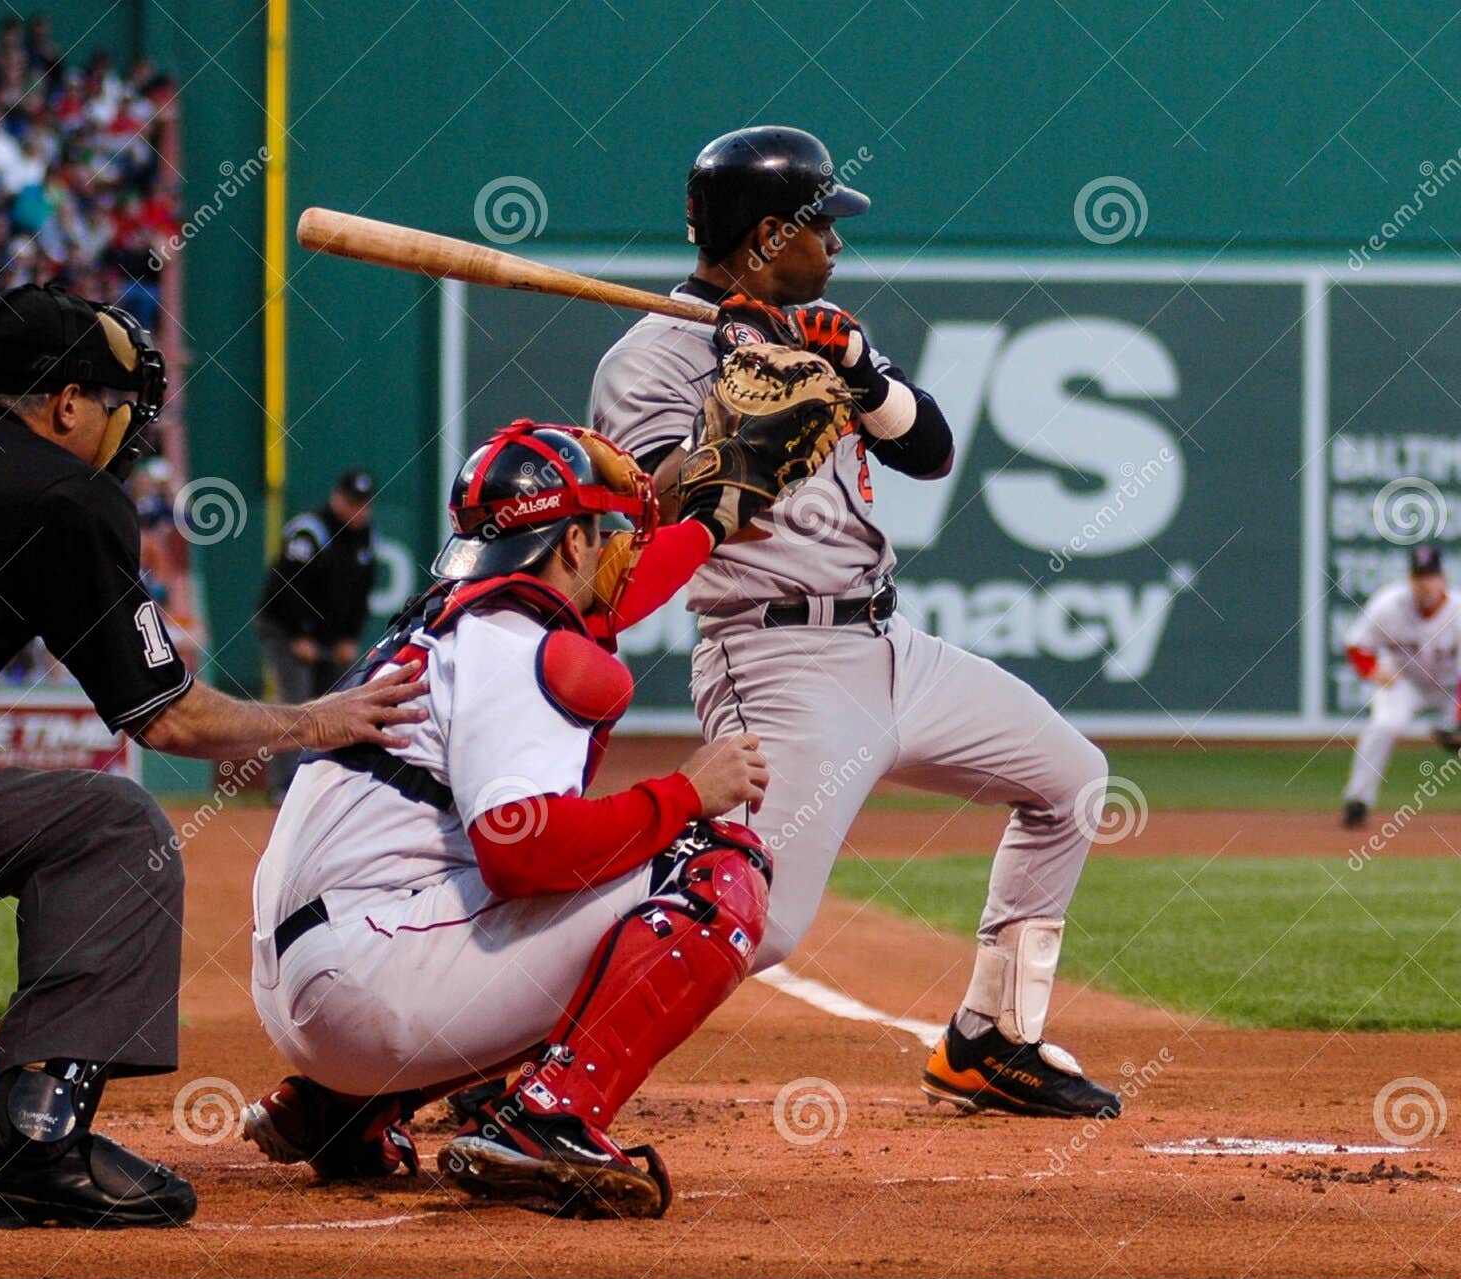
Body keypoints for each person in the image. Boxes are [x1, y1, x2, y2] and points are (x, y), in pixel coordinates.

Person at [0, 283, 426, 1228]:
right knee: (113, 828)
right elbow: (168, 722)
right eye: (118, 407)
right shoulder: (61, 493)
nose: (123, 431)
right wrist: (317, 721)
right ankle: (38, 1144)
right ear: (68, 403)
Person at [590, 125, 1121, 1119]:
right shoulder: (650, 357)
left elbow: (932, 451)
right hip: (774, 652)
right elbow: (651, 508)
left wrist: (864, 376)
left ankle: (990, 1040)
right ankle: (510, 1044)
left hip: (887, 644)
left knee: (1070, 780)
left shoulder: (812, 330)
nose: (835, 241)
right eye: (819, 223)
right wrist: (738, 418)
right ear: (759, 239)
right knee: (760, 919)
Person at [240, 419, 784, 1218]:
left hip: (319, 977)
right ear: (569, 546)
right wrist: (685, 794)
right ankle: (549, 1118)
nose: (616, 552)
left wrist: (707, 525)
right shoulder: (518, 641)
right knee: (711, 861)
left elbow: (614, 599)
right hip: (366, 981)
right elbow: (519, 853)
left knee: (580, 898)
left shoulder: (456, 618)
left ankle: (343, 1111)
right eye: (602, 534)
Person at [255, 469, 379, 800]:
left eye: (364, 505)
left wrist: (349, 637)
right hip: (284, 628)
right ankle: (284, 785)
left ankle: (326, 783)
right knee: (295, 701)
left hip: (329, 636)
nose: (358, 511)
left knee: (334, 702)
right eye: (352, 502)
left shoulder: (365, 536)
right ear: (336, 498)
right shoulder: (310, 531)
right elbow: (288, 587)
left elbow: (362, 591)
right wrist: (299, 635)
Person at [1342, 543, 1461, 827]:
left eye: (1430, 576)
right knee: (1384, 725)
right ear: (1410, 579)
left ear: (1442, 578)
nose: (1425, 584)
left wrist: (1458, 720)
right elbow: (1356, 642)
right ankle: (1357, 800)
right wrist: (1373, 670)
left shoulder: (1458, 611)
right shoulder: (1389, 605)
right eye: (1419, 577)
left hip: (1448, 686)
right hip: (1404, 682)